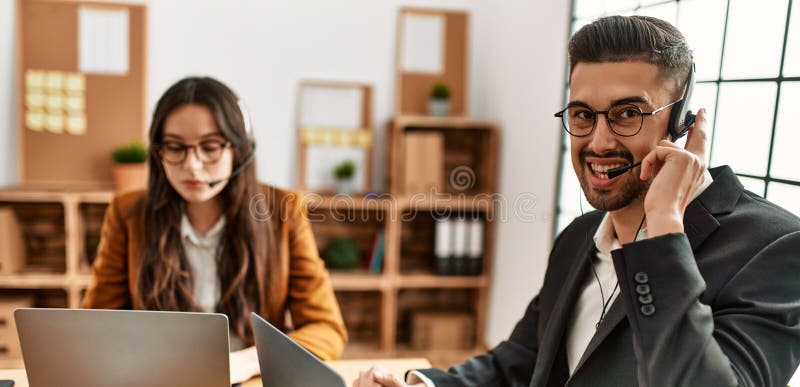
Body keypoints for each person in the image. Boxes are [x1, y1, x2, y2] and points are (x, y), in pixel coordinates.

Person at [354, 15, 800, 387]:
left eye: (628, 114)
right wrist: (423, 384)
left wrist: (664, 223)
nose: (599, 141)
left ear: (681, 125)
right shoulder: (581, 236)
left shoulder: (777, 247)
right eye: (583, 115)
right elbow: (520, 362)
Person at [83, 76, 347, 384]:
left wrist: (248, 360)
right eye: (175, 147)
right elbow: (97, 328)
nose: (192, 166)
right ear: (158, 152)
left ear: (240, 149)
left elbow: (326, 328)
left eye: (210, 147)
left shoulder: (283, 211)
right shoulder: (129, 213)